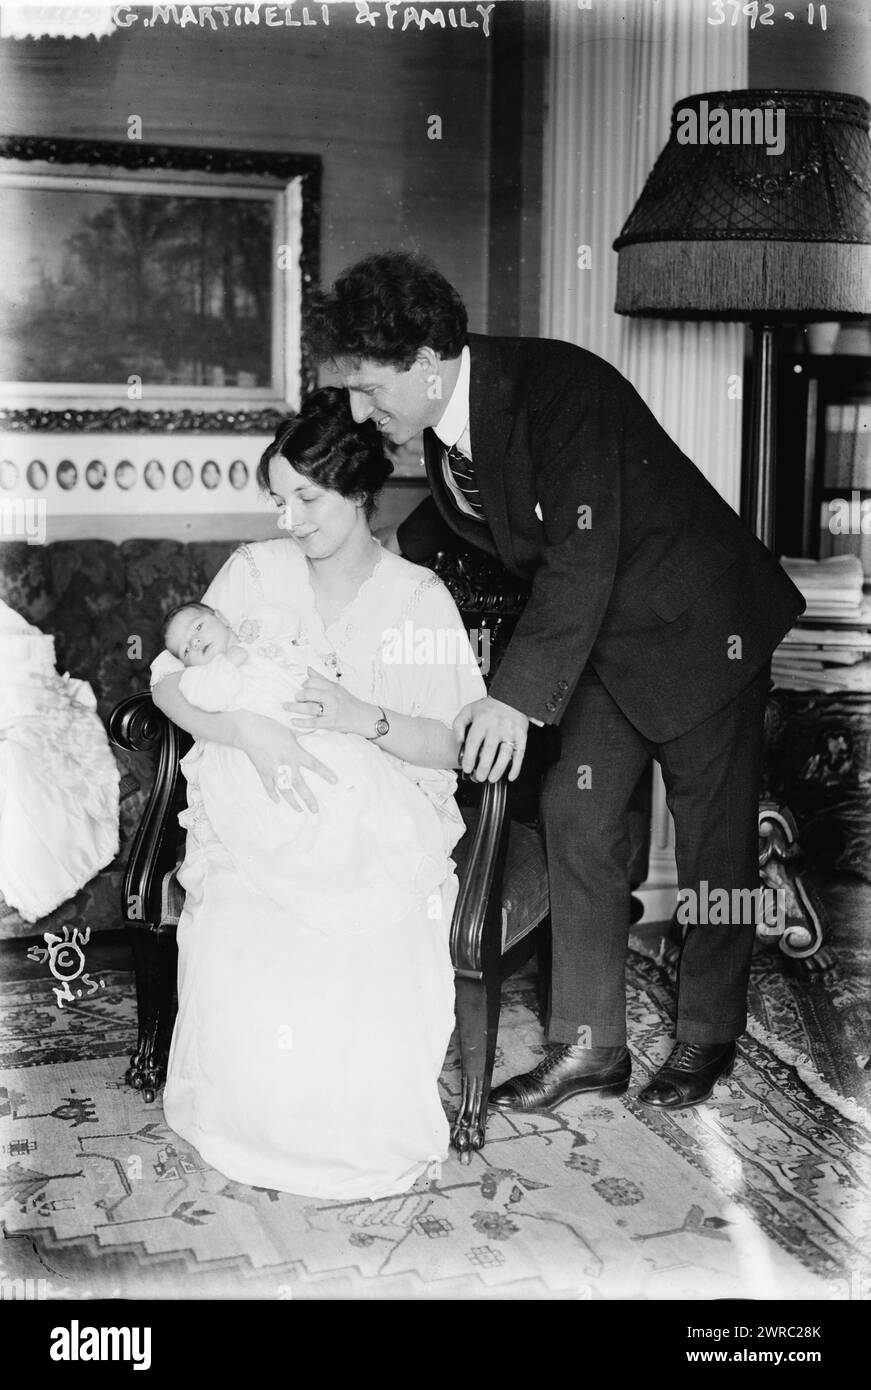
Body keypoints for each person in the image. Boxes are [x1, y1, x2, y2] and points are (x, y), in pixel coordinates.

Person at [307, 250, 805, 1114]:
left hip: (701, 626)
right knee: (577, 817)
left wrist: (509, 696)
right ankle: (589, 1047)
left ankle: (707, 1037)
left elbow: (580, 555)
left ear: (426, 364)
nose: (360, 409)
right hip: (606, 641)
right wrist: (376, 562)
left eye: (368, 388)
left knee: (712, 844)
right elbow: (474, 515)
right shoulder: (444, 418)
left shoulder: (560, 387)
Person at [150, 387, 485, 1198]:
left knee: (365, 924)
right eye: (277, 499)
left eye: (307, 497)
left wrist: (356, 715)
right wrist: (250, 733)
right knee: (247, 912)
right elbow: (170, 683)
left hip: (379, 811)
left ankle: (346, 1130)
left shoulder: (417, 599)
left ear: (360, 491)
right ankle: (254, 1121)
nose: (287, 520)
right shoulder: (253, 571)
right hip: (255, 800)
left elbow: (450, 743)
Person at [162, 597, 453, 919]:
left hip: (317, 731)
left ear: (221, 617)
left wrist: (252, 627)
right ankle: (330, 877)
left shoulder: (261, 639)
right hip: (262, 753)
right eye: (186, 649)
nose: (197, 641)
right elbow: (207, 695)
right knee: (302, 812)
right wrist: (227, 661)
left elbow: (284, 619)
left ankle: (389, 858)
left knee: (359, 783)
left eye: (199, 627)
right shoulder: (202, 677)